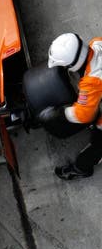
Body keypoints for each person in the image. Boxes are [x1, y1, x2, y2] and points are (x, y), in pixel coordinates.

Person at [40, 33, 102, 180]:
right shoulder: (97, 43)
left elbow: (83, 115)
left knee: (99, 142)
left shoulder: (91, 82)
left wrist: (61, 113)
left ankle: (81, 168)